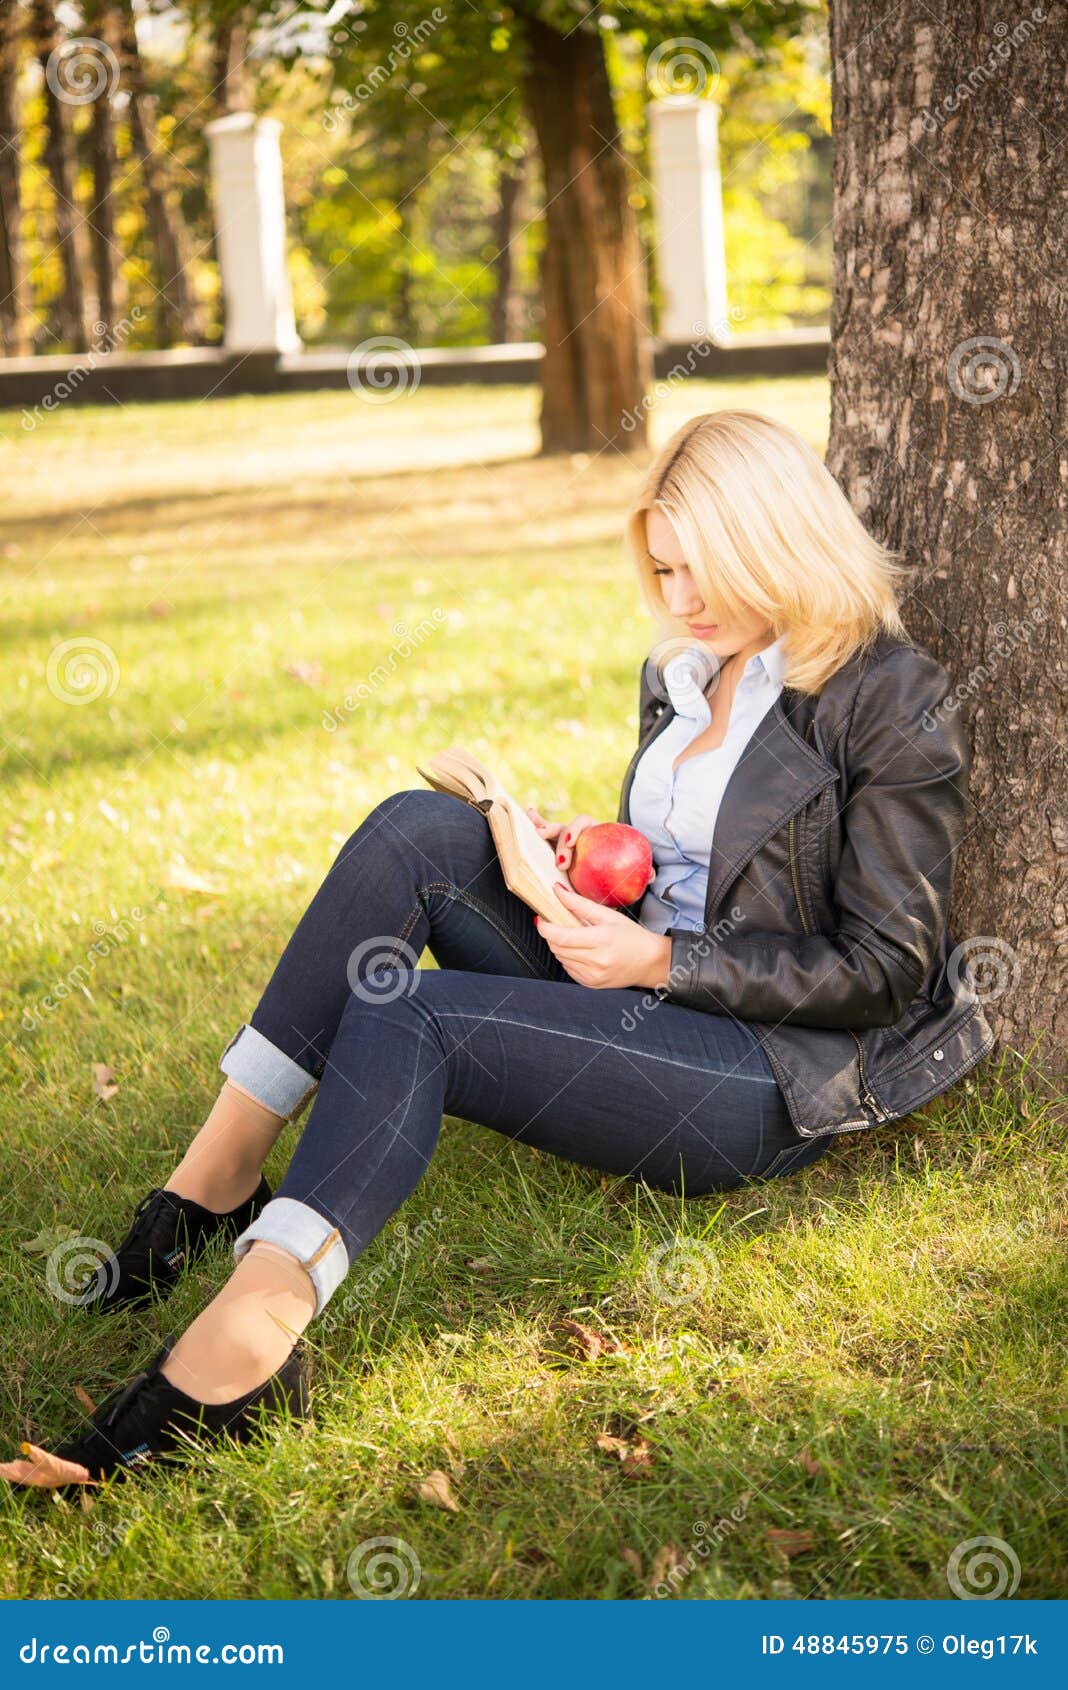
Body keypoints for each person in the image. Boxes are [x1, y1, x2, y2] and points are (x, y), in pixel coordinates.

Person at [1, 410, 993, 1491]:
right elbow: (698, 865)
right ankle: (212, 1181)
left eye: (703, 571)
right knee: (412, 834)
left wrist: (661, 965)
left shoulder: (889, 697)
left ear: (779, 543)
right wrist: (584, 860)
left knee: (411, 1011)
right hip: (635, 979)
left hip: (764, 1068)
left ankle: (239, 1354)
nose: (679, 601)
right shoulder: (686, 670)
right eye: (661, 570)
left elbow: (886, 965)